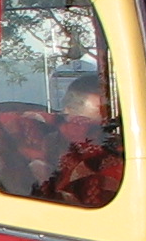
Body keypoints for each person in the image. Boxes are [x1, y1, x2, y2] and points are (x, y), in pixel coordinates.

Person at [35, 71, 122, 209]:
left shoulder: (117, 144)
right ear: (67, 111)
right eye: (100, 112)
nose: (106, 120)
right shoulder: (48, 145)